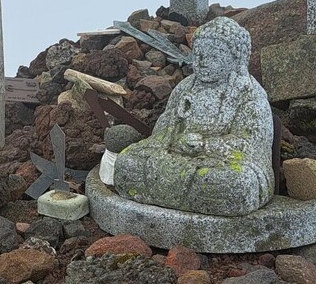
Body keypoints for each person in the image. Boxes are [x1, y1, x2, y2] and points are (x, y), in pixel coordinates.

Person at [113, 17, 274, 216]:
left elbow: (252, 144)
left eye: (213, 57)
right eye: (198, 55)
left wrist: (204, 145)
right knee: (127, 163)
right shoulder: (186, 86)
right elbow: (164, 127)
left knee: (236, 184)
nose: (203, 62)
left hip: (222, 163)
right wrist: (166, 140)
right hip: (177, 156)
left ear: (235, 60)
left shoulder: (248, 93)